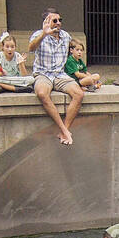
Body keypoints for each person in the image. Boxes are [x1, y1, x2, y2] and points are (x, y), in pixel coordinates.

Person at [28, 8, 77, 146]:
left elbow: (73, 53)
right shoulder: (38, 34)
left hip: (60, 74)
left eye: (60, 20)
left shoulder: (66, 36)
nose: (58, 23)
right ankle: (64, 130)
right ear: (46, 22)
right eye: (54, 20)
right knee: (42, 93)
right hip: (43, 73)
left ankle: (64, 130)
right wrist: (44, 34)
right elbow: (31, 48)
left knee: (78, 93)